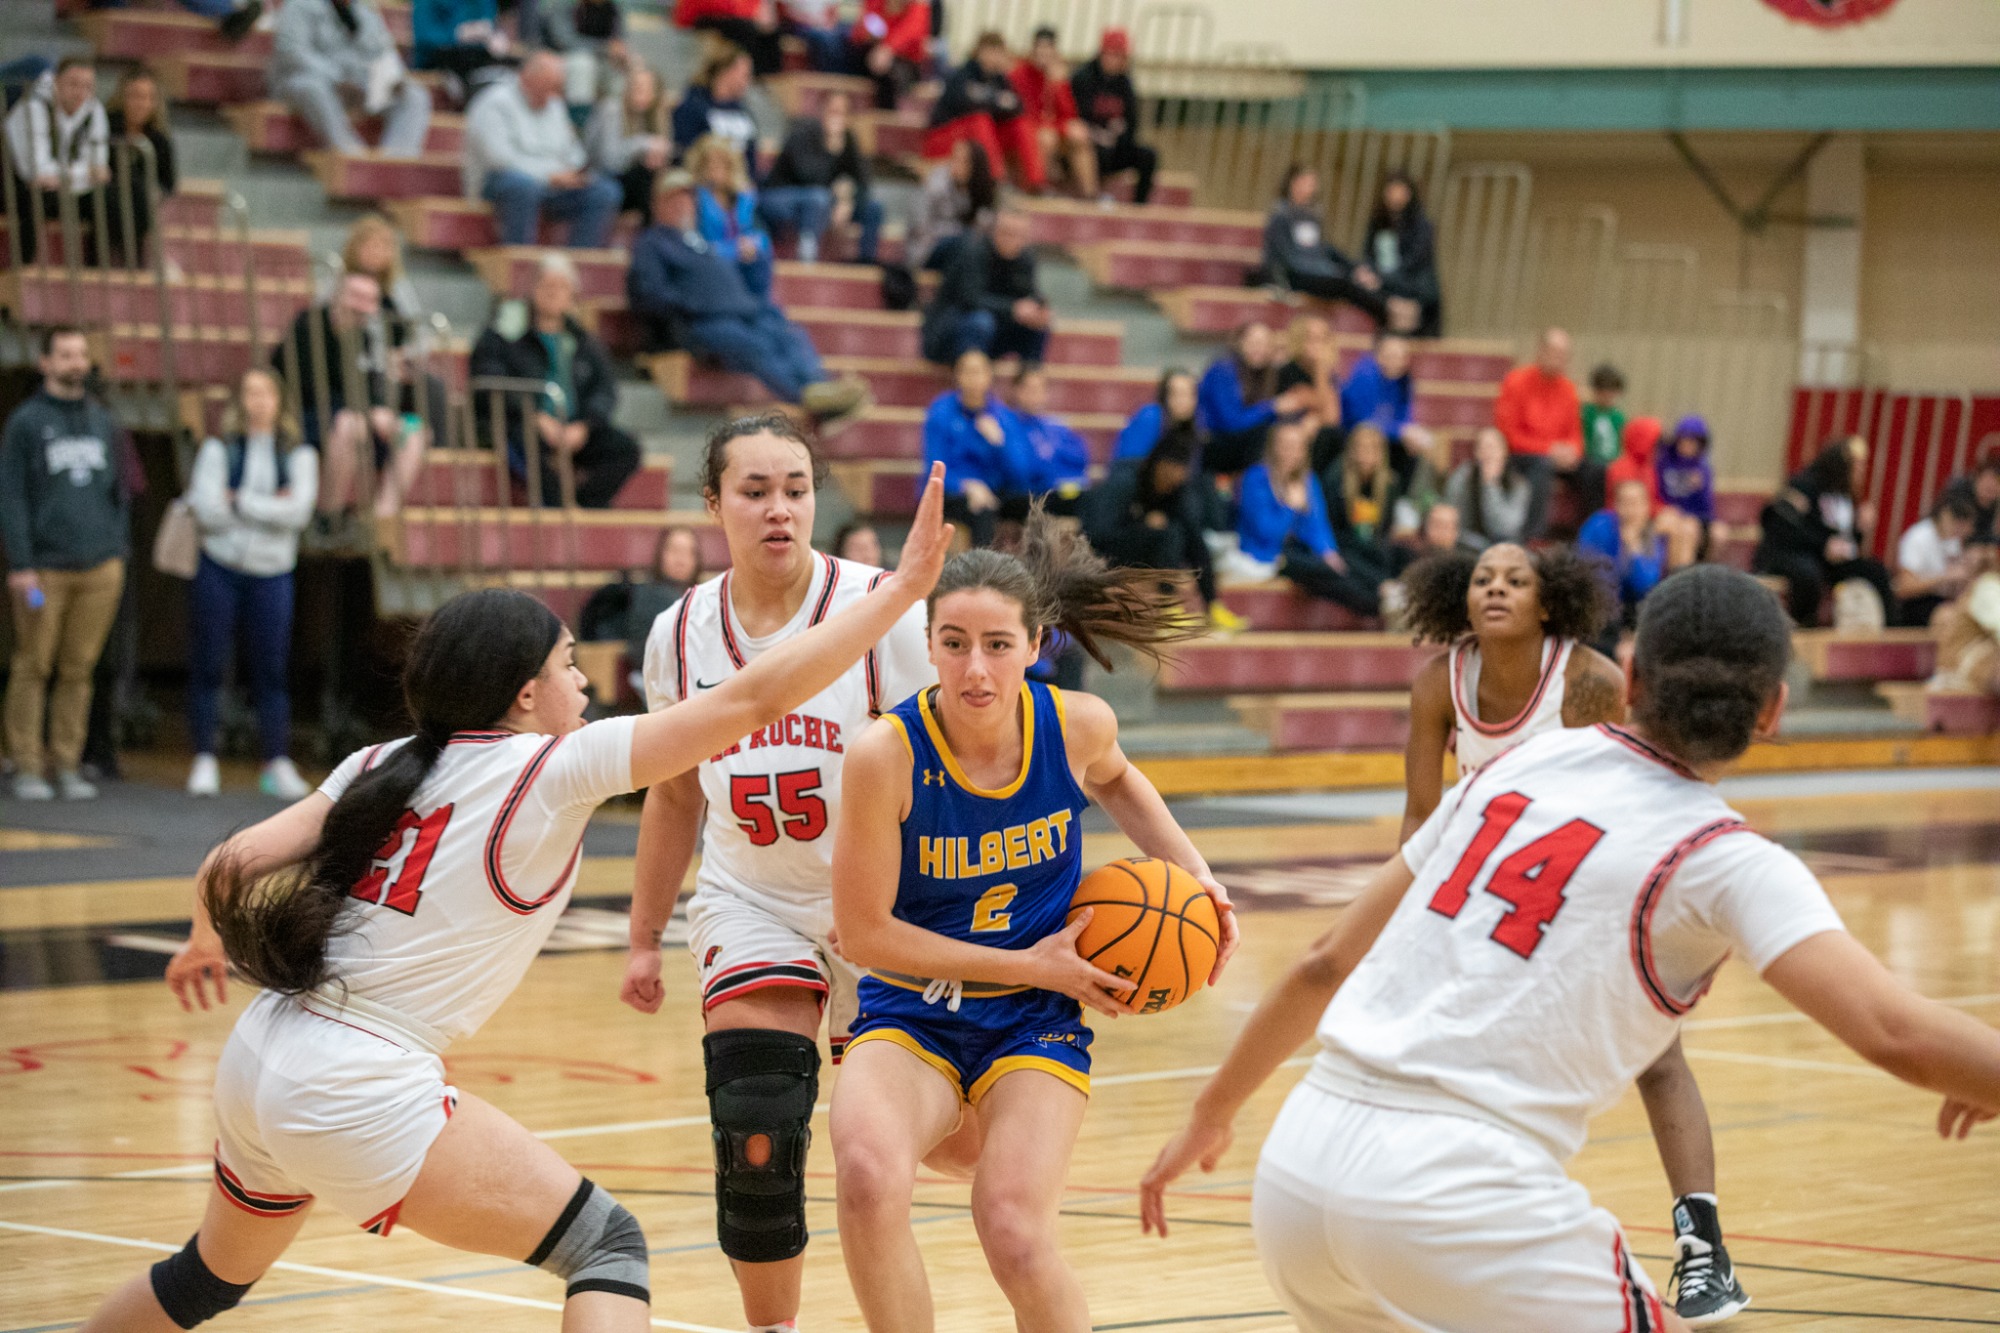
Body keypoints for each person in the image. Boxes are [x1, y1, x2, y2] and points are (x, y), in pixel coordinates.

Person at [74, 467, 952, 1333]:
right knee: (607, 1246)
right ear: (526, 692)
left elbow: (231, 861)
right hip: (361, 1077)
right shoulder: (555, 768)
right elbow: (756, 695)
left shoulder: (380, 762)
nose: (582, 680)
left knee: (199, 1279)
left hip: (261, 1050)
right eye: (569, 663)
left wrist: (202, 939)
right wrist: (902, 590)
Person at [1141, 563, 2000, 1330]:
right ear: (1775, 707)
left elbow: (1324, 960)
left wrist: (1211, 1111)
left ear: (1628, 676)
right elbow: (1899, 1034)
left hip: (1301, 1161)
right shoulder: (1728, 860)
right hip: (1457, 1189)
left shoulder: (1514, 769)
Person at [830, 512, 1235, 1331]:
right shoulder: (886, 754)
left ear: (1036, 641)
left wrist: (1198, 875)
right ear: (929, 640)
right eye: (953, 642)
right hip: (915, 1010)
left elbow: (1119, 781)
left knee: (1013, 1229)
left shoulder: (1076, 723)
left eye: (998, 644)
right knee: (869, 1179)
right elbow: (867, 937)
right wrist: (1037, 964)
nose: (975, 668)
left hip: (1032, 1025)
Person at [619, 419, 946, 1333]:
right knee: (756, 1120)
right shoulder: (679, 632)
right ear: (713, 503)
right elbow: (675, 794)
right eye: (756, 489)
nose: (779, 508)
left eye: (797, 488)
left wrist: (890, 902)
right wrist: (644, 936)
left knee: (905, 1157)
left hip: (886, 908)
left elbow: (943, 781)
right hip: (751, 897)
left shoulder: (883, 610)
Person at [626, 171, 871, 426]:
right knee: (753, 345)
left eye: (687, 199)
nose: (683, 206)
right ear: (656, 205)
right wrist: (695, 306)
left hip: (744, 310)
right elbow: (648, 294)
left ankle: (820, 386)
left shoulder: (700, 241)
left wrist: (755, 261)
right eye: (674, 200)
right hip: (704, 321)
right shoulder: (652, 244)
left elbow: (754, 281)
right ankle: (808, 398)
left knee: (787, 332)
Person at [1, 328, 127, 803]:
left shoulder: (102, 420)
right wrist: (22, 563)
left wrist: (116, 549)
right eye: (66, 355)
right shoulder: (26, 423)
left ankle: (68, 763)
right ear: (45, 363)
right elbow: (11, 497)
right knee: (34, 664)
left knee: (79, 669)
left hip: (99, 568)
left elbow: (118, 492)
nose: (76, 363)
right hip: (43, 571)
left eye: (81, 355)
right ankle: (28, 763)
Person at [182, 369, 318, 802]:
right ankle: (204, 755)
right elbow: (205, 510)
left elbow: (297, 513)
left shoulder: (298, 454)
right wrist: (267, 507)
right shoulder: (218, 449)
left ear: (280, 401)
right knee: (208, 660)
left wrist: (238, 501)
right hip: (220, 565)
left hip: (272, 572)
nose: (258, 401)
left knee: (271, 668)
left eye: (266, 393)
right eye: (249, 393)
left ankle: (275, 760)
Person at [469, 253, 641, 510]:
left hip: (573, 429)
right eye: (547, 285)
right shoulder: (505, 330)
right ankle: (557, 509)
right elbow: (489, 378)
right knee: (528, 446)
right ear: (532, 289)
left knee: (625, 449)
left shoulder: (583, 340)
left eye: (562, 287)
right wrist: (535, 415)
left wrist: (584, 426)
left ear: (572, 295)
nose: (553, 293)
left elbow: (605, 391)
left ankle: (586, 506)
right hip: (523, 425)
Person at [272, 271, 428, 522]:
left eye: (369, 300)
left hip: (355, 420)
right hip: (305, 420)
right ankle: (327, 516)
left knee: (412, 429)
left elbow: (370, 389)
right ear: (337, 297)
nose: (362, 307)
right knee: (350, 424)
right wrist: (368, 412)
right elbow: (307, 388)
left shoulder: (365, 339)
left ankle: (383, 518)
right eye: (355, 297)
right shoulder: (308, 326)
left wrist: (382, 412)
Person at [464, 52, 620, 249]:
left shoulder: (554, 105)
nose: (554, 94)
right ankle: (518, 259)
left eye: (558, 88)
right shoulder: (494, 102)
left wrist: (576, 172)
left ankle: (577, 264)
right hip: (498, 184)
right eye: (549, 87)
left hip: (553, 186)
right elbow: (499, 160)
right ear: (527, 78)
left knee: (605, 191)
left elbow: (573, 152)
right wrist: (549, 176)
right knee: (521, 185)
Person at [1081, 435, 1232, 629]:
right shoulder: (1125, 481)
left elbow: (1196, 543)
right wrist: (1141, 524)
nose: (1177, 478)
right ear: (1160, 464)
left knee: (1180, 533)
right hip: (1105, 550)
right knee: (1170, 534)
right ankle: (1166, 605)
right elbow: (1097, 534)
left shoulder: (1178, 492)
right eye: (1173, 471)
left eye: (1182, 472)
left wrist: (1211, 602)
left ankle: (1211, 608)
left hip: (1149, 554)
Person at [1238, 417, 1381, 616]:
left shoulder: (1308, 480)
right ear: (1273, 447)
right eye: (1285, 445)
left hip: (1301, 551)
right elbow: (1266, 533)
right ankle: (1374, 606)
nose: (1291, 452)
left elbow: (1317, 525)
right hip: (1270, 555)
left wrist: (1328, 552)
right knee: (1321, 571)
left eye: (1297, 446)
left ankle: (1384, 594)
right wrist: (1289, 507)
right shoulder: (1257, 479)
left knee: (1342, 559)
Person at [1753, 436, 1895, 628]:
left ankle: (1892, 628)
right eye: (1857, 466)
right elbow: (1780, 526)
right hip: (1791, 552)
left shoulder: (1844, 494)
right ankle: (1803, 628)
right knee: (1808, 574)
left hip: (1825, 558)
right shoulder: (1803, 485)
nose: (1861, 472)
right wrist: (1824, 545)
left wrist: (1858, 530)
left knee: (1876, 571)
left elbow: (1844, 540)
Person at [272, 0, 432, 160]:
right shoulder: (300, 4)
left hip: (356, 88)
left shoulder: (364, 9)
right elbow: (292, 53)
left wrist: (393, 77)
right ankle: (351, 155)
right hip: (306, 82)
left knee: (414, 95)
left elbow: (384, 50)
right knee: (312, 87)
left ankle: (395, 162)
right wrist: (337, 80)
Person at [339, 213, 448, 431]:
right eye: (370, 245)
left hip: (394, 366)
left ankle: (436, 452)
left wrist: (403, 356)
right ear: (355, 248)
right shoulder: (339, 282)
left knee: (432, 387)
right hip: (355, 364)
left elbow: (422, 332)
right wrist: (380, 360)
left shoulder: (398, 288)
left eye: (382, 246)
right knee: (382, 383)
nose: (376, 252)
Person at [1494, 327, 1597, 539]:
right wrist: (1549, 450)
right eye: (1554, 353)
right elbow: (1509, 436)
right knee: (1542, 465)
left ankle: (1588, 536)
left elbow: (1575, 434)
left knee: (1595, 471)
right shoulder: (1516, 381)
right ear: (1541, 351)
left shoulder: (1568, 389)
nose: (1559, 359)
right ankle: (1533, 536)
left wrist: (1572, 452)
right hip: (1521, 456)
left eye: (1564, 355)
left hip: (1556, 457)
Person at [923, 349, 1034, 548]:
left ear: (989, 377)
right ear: (958, 376)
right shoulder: (941, 411)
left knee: (1031, 505)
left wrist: (1001, 444)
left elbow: (1021, 474)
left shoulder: (1002, 416)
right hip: (953, 493)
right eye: (968, 372)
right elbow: (934, 467)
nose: (974, 378)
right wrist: (967, 486)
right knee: (982, 510)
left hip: (994, 491)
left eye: (979, 371)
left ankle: (1036, 573)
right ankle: (982, 575)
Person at [4, 58, 110, 265]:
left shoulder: (94, 109)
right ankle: (21, 270)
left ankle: (98, 269)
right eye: (73, 84)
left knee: (112, 199)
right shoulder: (33, 107)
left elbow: (100, 169)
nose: (80, 92)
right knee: (36, 199)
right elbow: (36, 173)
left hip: (62, 189)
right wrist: (86, 172)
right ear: (56, 82)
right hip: (14, 187)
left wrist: (65, 176)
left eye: (87, 86)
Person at [760, 91, 883, 265]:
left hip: (825, 200)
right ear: (821, 111)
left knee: (873, 207)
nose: (837, 118)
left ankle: (865, 262)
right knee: (819, 198)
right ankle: (807, 261)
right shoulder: (801, 133)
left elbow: (863, 180)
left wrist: (847, 199)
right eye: (833, 111)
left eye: (842, 113)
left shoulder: (848, 140)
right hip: (781, 196)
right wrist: (831, 150)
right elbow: (808, 177)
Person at [919, 206, 1051, 366]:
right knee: (981, 322)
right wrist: (1012, 309)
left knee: (1037, 326)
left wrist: (1038, 309)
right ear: (994, 230)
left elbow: (1029, 293)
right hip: (950, 331)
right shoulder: (972, 251)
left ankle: (1029, 384)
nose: (1012, 239)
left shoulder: (1025, 259)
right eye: (1007, 232)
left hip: (993, 332)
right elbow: (970, 299)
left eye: (1019, 235)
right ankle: (971, 384)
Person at [1261, 166, 1387, 325]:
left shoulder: (1313, 215)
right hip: (1294, 275)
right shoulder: (1280, 216)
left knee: (1361, 282)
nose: (1310, 188)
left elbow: (1323, 249)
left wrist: (1354, 268)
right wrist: (1332, 271)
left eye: (1313, 183)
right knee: (1344, 284)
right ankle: (1385, 316)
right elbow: (1287, 256)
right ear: (1292, 183)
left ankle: (1385, 313)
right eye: (1305, 182)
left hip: (1317, 272)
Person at [923, 30, 1042, 193]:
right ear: (980, 51)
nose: (996, 57)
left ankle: (1036, 183)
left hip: (980, 139)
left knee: (1021, 124)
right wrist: (997, 101)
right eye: (992, 51)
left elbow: (1018, 107)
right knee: (981, 121)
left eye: (999, 52)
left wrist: (990, 100)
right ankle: (994, 180)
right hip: (945, 136)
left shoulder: (1000, 79)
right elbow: (967, 104)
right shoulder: (963, 74)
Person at [1197, 321, 1312, 477]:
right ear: (1240, 343)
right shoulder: (1223, 370)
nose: (1260, 349)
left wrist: (1307, 422)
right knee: (1266, 436)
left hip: (1243, 442)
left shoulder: (1267, 374)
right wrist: (1272, 407)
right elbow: (1231, 422)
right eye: (1254, 342)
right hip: (1212, 443)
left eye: (1265, 344)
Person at [1579, 477, 1693, 630]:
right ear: (1616, 505)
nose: (1631, 510)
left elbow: (1645, 586)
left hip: (1632, 613)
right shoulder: (1599, 525)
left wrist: (1633, 549)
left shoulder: (1650, 536)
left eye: (1637, 503)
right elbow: (1589, 572)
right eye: (1626, 502)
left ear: (1647, 507)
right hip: (1600, 607)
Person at [1069, 28, 1154, 204]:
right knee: (1091, 149)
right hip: (1090, 144)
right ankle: (1091, 197)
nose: (1115, 60)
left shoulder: (1125, 83)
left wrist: (1118, 134)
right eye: (1111, 54)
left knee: (1148, 156)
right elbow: (1075, 116)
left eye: (1119, 55)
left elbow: (1131, 123)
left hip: (1114, 145)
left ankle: (1139, 207)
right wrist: (1099, 134)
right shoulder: (1082, 78)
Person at [102, 68, 175, 267]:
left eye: (147, 97)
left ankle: (135, 263)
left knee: (140, 195)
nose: (141, 103)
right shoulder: (106, 127)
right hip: (108, 197)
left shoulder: (159, 140)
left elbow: (168, 183)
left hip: (140, 203)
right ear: (122, 97)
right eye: (135, 96)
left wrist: (156, 192)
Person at [1323, 421, 1410, 590]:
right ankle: (1385, 585)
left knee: (1400, 554)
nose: (1366, 455)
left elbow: (1386, 529)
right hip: (1345, 544)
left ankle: (1399, 588)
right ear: (1352, 450)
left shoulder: (1389, 484)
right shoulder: (1335, 479)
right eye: (1361, 448)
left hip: (1374, 545)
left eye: (1372, 449)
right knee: (1351, 557)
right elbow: (1332, 529)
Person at [1012, 26, 1095, 198]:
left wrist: (1057, 85)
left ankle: (1090, 194)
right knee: (1046, 138)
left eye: (1048, 50)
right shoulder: (1020, 74)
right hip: (1031, 127)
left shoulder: (1056, 76)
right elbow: (1022, 111)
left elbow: (1069, 114)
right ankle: (1038, 188)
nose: (1044, 54)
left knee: (1079, 133)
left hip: (1052, 126)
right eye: (1040, 49)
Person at [1337, 330, 1435, 476]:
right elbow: (1364, 420)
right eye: (1391, 355)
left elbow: (1406, 417)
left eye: (1402, 356)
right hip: (1352, 436)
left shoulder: (1404, 380)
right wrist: (1401, 431)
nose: (1397, 361)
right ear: (1379, 355)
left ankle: (1400, 496)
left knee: (1412, 448)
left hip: (1385, 437)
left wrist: (1409, 433)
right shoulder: (1365, 375)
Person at [584, 62, 672, 220]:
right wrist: (644, 144)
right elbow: (609, 161)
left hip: (631, 184)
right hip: (602, 179)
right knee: (645, 172)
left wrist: (652, 154)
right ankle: (652, 231)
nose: (641, 94)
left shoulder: (655, 117)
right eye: (637, 88)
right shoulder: (611, 109)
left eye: (648, 89)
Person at [1362, 171, 1439, 336]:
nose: (1396, 196)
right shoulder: (1378, 223)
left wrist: (1385, 278)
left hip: (1413, 288)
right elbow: (1368, 254)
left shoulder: (1421, 224)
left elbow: (1415, 259)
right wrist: (1371, 274)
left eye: (1400, 191)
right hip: (1384, 288)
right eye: (1391, 191)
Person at [1894, 495, 1986, 628]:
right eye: (1960, 525)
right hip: (1915, 605)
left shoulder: (1953, 540)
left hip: (1942, 601)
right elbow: (1904, 587)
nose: (1965, 532)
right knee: (1950, 618)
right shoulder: (1919, 537)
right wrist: (1944, 577)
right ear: (1945, 516)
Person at [907, 135, 996, 272]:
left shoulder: (980, 192)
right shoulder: (935, 185)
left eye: (963, 161)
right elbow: (919, 227)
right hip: (927, 250)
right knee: (965, 243)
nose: (956, 164)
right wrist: (957, 234)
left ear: (976, 166)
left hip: (962, 254)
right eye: (954, 158)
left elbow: (985, 229)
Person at [687, 131, 772, 271]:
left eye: (722, 162)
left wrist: (753, 244)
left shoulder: (744, 197)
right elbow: (691, 243)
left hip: (745, 265)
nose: (715, 167)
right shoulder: (693, 196)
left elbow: (762, 236)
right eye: (709, 162)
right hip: (709, 267)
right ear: (700, 165)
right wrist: (732, 250)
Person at [1013, 364, 1090, 514]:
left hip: (1063, 489)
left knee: (1093, 500)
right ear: (1017, 391)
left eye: (1040, 389)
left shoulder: (1056, 426)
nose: (1034, 395)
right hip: (1030, 494)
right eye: (1030, 389)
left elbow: (1080, 457)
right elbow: (1022, 469)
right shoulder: (1009, 424)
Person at [670, 45, 757, 177]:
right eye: (745, 74)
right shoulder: (692, 106)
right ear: (727, 71)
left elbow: (751, 157)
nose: (748, 81)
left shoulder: (744, 112)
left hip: (742, 187)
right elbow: (685, 152)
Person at [1443, 425, 1534, 551]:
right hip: (1467, 543)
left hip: (1505, 547)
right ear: (1476, 453)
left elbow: (1505, 529)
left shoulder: (1518, 485)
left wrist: (1491, 486)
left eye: (1493, 447)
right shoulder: (1463, 476)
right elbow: (1453, 517)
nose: (1488, 453)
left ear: (1505, 452)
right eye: (1483, 447)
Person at [1274, 314, 1344, 471]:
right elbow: (1315, 403)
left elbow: (1332, 417)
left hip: (1316, 436)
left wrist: (1316, 418)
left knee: (1335, 437)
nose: (1317, 346)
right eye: (1311, 339)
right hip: (1287, 433)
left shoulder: (1327, 374)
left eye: (1322, 339)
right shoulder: (1286, 371)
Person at [409, 0, 515, 92]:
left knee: (509, 73)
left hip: (477, 59)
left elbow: (488, 25)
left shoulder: (484, 2)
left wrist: (494, 38)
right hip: (437, 61)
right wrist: (456, 35)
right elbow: (424, 39)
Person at [846, 0, 930, 110]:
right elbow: (859, 33)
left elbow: (913, 32)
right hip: (873, 55)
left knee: (892, 75)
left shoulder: (918, 6)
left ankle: (889, 117)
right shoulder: (875, 3)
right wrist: (866, 35)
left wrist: (888, 48)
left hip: (905, 63)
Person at [1113, 366, 1200, 463]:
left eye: (1190, 394)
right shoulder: (1150, 418)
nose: (1184, 401)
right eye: (1176, 394)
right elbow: (1126, 466)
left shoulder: (1194, 425)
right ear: (1164, 396)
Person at [674, 0, 782, 76]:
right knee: (744, 28)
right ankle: (747, 73)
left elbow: (765, 20)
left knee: (772, 34)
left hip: (738, 25)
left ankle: (764, 76)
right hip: (707, 24)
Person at [1657, 414, 1716, 547]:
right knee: (1682, 528)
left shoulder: (1703, 469)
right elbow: (1658, 492)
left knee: (1718, 533)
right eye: (1683, 440)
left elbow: (1706, 508)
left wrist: (1700, 489)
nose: (1687, 445)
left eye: (1693, 441)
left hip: (1694, 517)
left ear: (1701, 444)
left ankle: (1708, 567)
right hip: (1668, 513)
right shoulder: (1664, 462)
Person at [1941, 452, 2000, 546]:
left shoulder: (1993, 506)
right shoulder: (1959, 495)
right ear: (1976, 477)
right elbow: (1955, 532)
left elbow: (1989, 536)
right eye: (1987, 479)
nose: (1991, 486)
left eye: (1997, 483)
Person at [1581, 362, 1627, 473]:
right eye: (1604, 391)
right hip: (1590, 460)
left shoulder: (1618, 418)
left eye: (1612, 391)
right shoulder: (1587, 413)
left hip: (1612, 462)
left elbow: (1621, 446)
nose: (1608, 396)